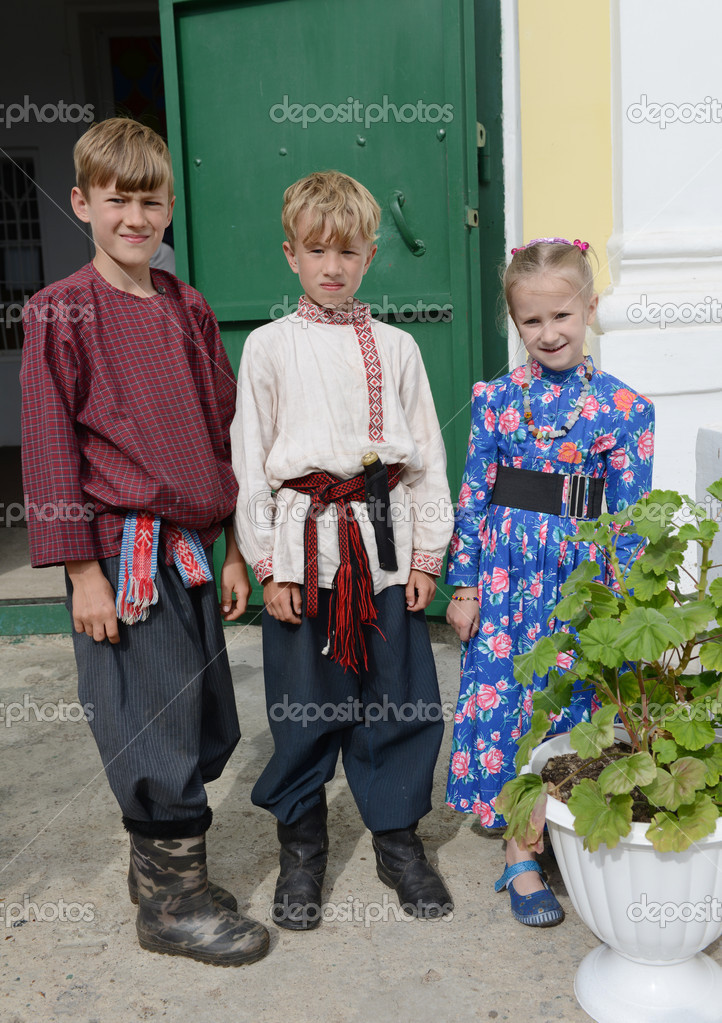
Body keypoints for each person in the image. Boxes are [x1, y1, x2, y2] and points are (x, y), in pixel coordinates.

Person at [20, 117, 269, 967]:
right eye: (117, 198)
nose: (135, 215)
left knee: (206, 722)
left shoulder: (187, 306)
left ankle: (164, 873)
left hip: (195, 548)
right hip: (122, 558)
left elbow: (220, 429)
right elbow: (52, 443)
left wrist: (232, 546)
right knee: (148, 723)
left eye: (150, 199)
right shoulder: (59, 312)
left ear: (169, 209)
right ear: (82, 201)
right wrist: (82, 573)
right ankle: (171, 906)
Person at [231, 170, 454, 929]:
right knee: (303, 706)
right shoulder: (267, 347)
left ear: (370, 254)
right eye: (317, 249)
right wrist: (270, 565)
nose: (333, 265)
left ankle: (398, 840)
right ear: (291, 253)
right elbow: (249, 461)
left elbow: (425, 456)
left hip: (382, 550)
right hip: (303, 550)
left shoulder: (396, 348)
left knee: (398, 697)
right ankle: (303, 849)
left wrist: (426, 556)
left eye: (348, 251)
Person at [445, 237, 655, 927]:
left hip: (580, 581)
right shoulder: (496, 399)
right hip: (508, 580)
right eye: (532, 322)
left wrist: (625, 604)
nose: (549, 333)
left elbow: (629, 517)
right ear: (515, 322)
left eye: (562, 316)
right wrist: (466, 584)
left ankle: (564, 817)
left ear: (589, 309)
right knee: (510, 700)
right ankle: (520, 846)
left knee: (575, 703)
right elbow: (474, 493)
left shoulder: (625, 409)